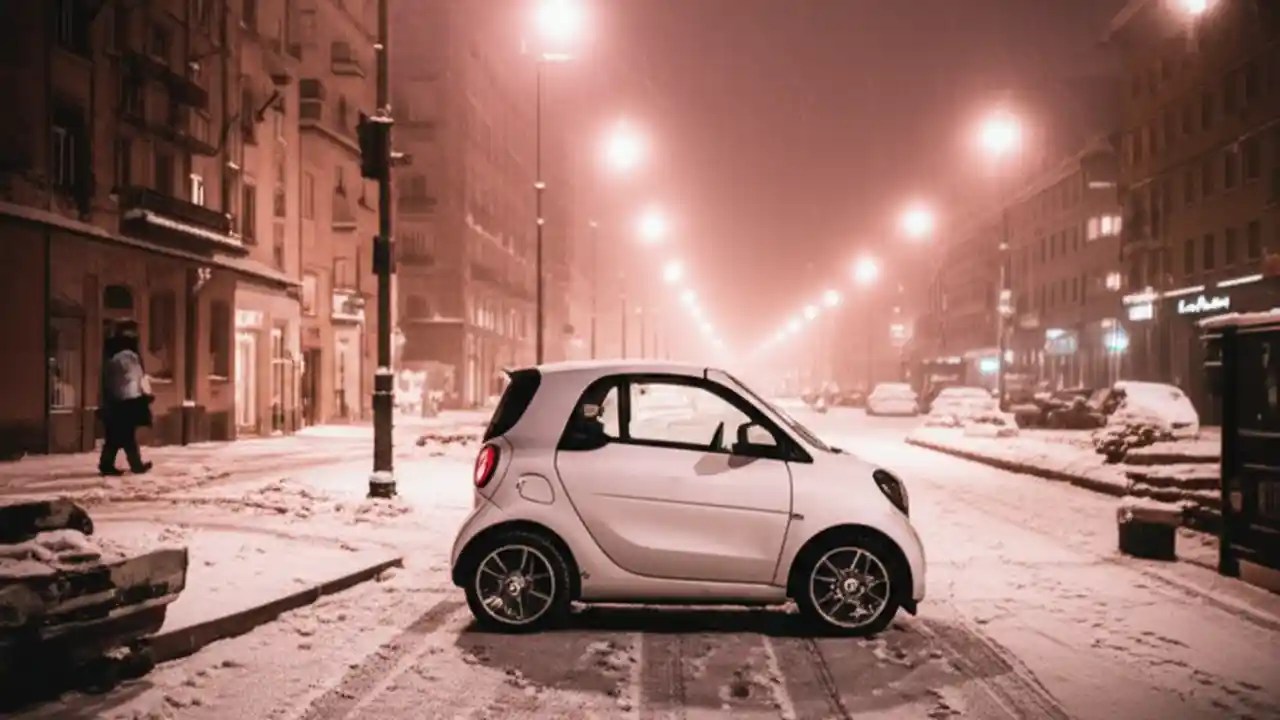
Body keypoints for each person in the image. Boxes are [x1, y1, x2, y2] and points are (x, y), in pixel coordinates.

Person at [98, 327, 153, 476]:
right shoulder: (129, 358)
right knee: (125, 435)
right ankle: (134, 465)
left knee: (116, 435)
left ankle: (108, 464)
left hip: (116, 401)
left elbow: (110, 381)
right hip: (128, 401)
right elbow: (138, 377)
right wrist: (145, 393)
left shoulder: (112, 359)